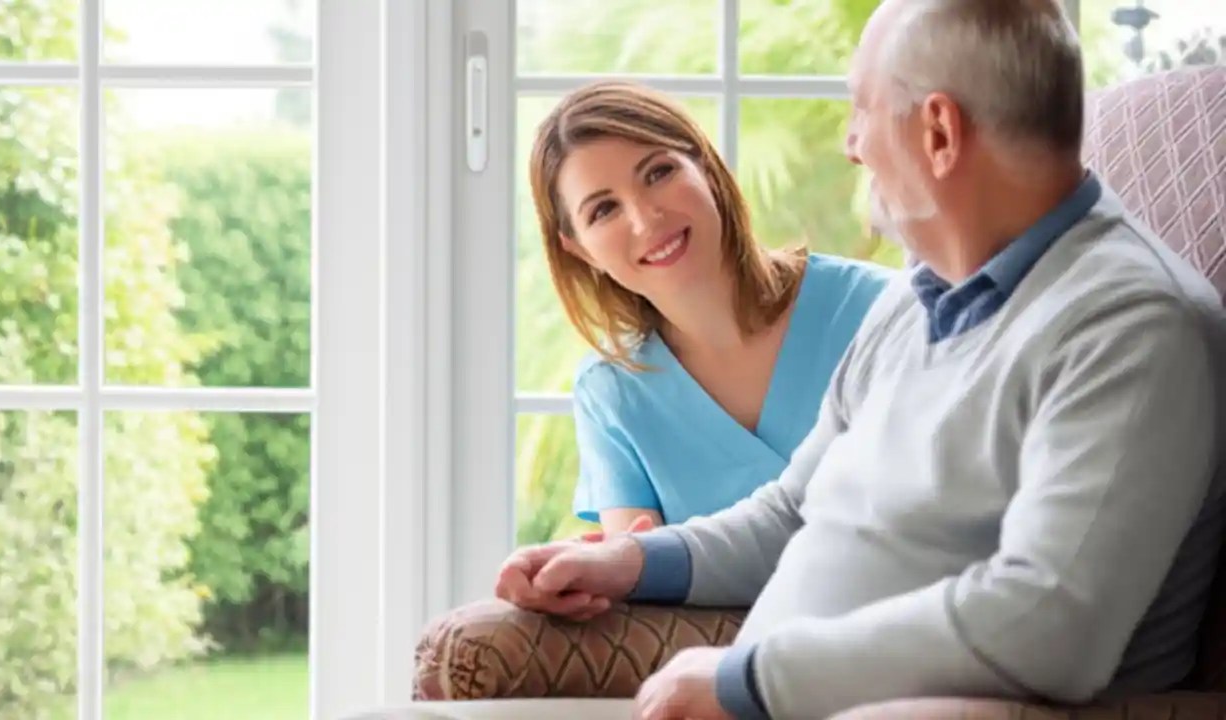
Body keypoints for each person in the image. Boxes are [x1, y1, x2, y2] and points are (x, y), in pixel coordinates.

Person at [495, 1, 1226, 718]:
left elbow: (1049, 624)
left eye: (863, 110)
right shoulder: (919, 301)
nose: (851, 144)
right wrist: (629, 562)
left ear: (938, 131)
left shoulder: (1130, 326)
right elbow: (792, 512)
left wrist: (749, 680)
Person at [529, 81, 893, 537]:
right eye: (604, 210)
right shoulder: (612, 393)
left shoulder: (879, 309)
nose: (645, 219)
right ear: (580, 251)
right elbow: (639, 575)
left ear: (705, 167)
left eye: (658, 173)